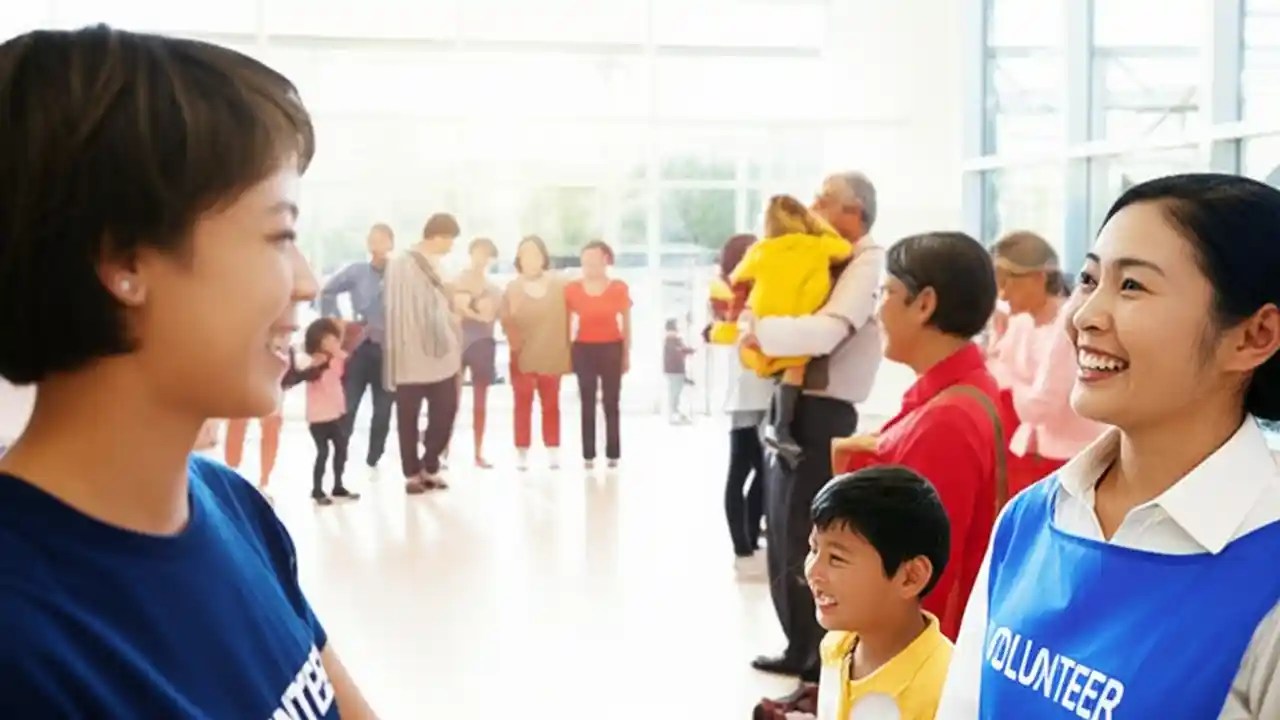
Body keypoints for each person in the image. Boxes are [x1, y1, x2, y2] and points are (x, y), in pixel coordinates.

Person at [0, 26, 374, 717]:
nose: (307, 281)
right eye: (280, 235)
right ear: (124, 262)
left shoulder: (234, 507)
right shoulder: (22, 646)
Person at [938, 174, 1280, 719]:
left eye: (1132, 287)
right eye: (1090, 280)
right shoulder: (1029, 520)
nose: (1083, 317)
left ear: (1253, 336)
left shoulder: (1266, 573)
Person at [829, 231, 1005, 643]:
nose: (876, 313)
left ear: (924, 304)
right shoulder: (956, 394)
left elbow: (922, 580)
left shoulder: (946, 421)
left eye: (885, 293)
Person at [746, 172, 884, 684]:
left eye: (824, 199)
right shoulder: (814, 254)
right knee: (781, 530)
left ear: (853, 212)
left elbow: (827, 331)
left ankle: (817, 654)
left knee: (810, 533)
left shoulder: (865, 262)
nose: (813, 206)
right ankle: (797, 644)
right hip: (788, 401)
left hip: (825, 411)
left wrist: (761, 331)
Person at [756, 466, 953, 719]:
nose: (813, 571)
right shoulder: (837, 645)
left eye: (836, 558)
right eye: (814, 549)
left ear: (910, 577)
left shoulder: (947, 688)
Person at [731, 194, 852, 464]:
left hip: (763, 319)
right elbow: (845, 249)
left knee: (776, 372)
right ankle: (780, 427)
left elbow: (738, 275)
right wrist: (818, 222)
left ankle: (774, 427)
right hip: (795, 319)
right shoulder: (818, 246)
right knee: (795, 368)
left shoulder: (761, 250)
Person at [987, 231, 1104, 495]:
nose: (1002, 295)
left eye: (1007, 283)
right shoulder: (1019, 323)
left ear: (1039, 278)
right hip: (1028, 452)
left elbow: (1041, 407)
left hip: (1068, 458)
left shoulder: (1069, 326)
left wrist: (1008, 376)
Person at [707, 234, 773, 576]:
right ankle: (742, 549)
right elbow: (722, 333)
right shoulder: (723, 292)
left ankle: (751, 539)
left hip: (768, 387)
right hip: (742, 392)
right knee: (742, 470)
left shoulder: (766, 289)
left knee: (765, 471)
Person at [385, 212, 463, 494]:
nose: (451, 246)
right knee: (408, 417)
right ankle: (412, 474)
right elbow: (398, 307)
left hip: (442, 352)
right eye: (450, 240)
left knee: (446, 411)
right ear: (438, 235)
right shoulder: (402, 263)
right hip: (409, 352)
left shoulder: (441, 265)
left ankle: (431, 464)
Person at [319, 222, 395, 469]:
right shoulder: (356, 271)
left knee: (383, 408)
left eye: (382, 239)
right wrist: (338, 321)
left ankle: (375, 456)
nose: (377, 243)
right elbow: (327, 291)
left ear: (391, 244)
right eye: (372, 238)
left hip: (390, 349)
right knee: (349, 404)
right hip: (360, 346)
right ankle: (339, 455)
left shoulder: (400, 274)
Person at [502, 235, 572, 471]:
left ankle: (553, 448)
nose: (531, 259)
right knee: (522, 403)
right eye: (525, 254)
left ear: (543, 257)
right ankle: (522, 450)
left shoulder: (559, 284)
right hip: (522, 356)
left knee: (551, 403)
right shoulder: (512, 288)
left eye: (535, 254)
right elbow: (507, 320)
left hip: (551, 354)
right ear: (519, 259)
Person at [565, 240, 632, 469]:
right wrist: (566, 353)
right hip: (583, 348)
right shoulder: (572, 289)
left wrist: (626, 354)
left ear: (606, 260)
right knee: (587, 401)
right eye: (585, 261)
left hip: (612, 346)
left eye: (595, 260)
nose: (590, 265)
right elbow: (565, 323)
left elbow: (626, 323)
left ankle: (613, 452)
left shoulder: (618, 288)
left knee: (612, 401)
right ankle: (588, 454)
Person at [451, 237, 501, 468]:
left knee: (481, 402)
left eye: (487, 254)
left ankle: (478, 452)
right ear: (471, 254)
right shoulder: (456, 281)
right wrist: (477, 315)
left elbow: (494, 316)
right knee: (451, 400)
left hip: (483, 345)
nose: (482, 259)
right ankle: (442, 451)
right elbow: (457, 311)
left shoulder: (493, 288)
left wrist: (479, 315)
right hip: (458, 344)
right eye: (479, 253)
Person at [302, 318, 359, 506]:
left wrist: (337, 349)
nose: (331, 343)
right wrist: (320, 362)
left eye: (333, 339)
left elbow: (344, 363)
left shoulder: (337, 359)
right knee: (323, 452)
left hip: (335, 413)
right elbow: (306, 371)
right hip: (318, 416)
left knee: (341, 449)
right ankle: (317, 489)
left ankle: (338, 485)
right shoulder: (313, 361)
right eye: (326, 339)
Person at [663, 318, 695, 424]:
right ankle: (674, 414)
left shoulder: (674, 340)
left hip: (677, 371)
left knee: (676, 393)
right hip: (674, 371)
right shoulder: (670, 341)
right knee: (674, 393)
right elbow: (678, 351)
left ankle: (675, 413)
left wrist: (688, 351)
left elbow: (681, 350)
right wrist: (688, 351)